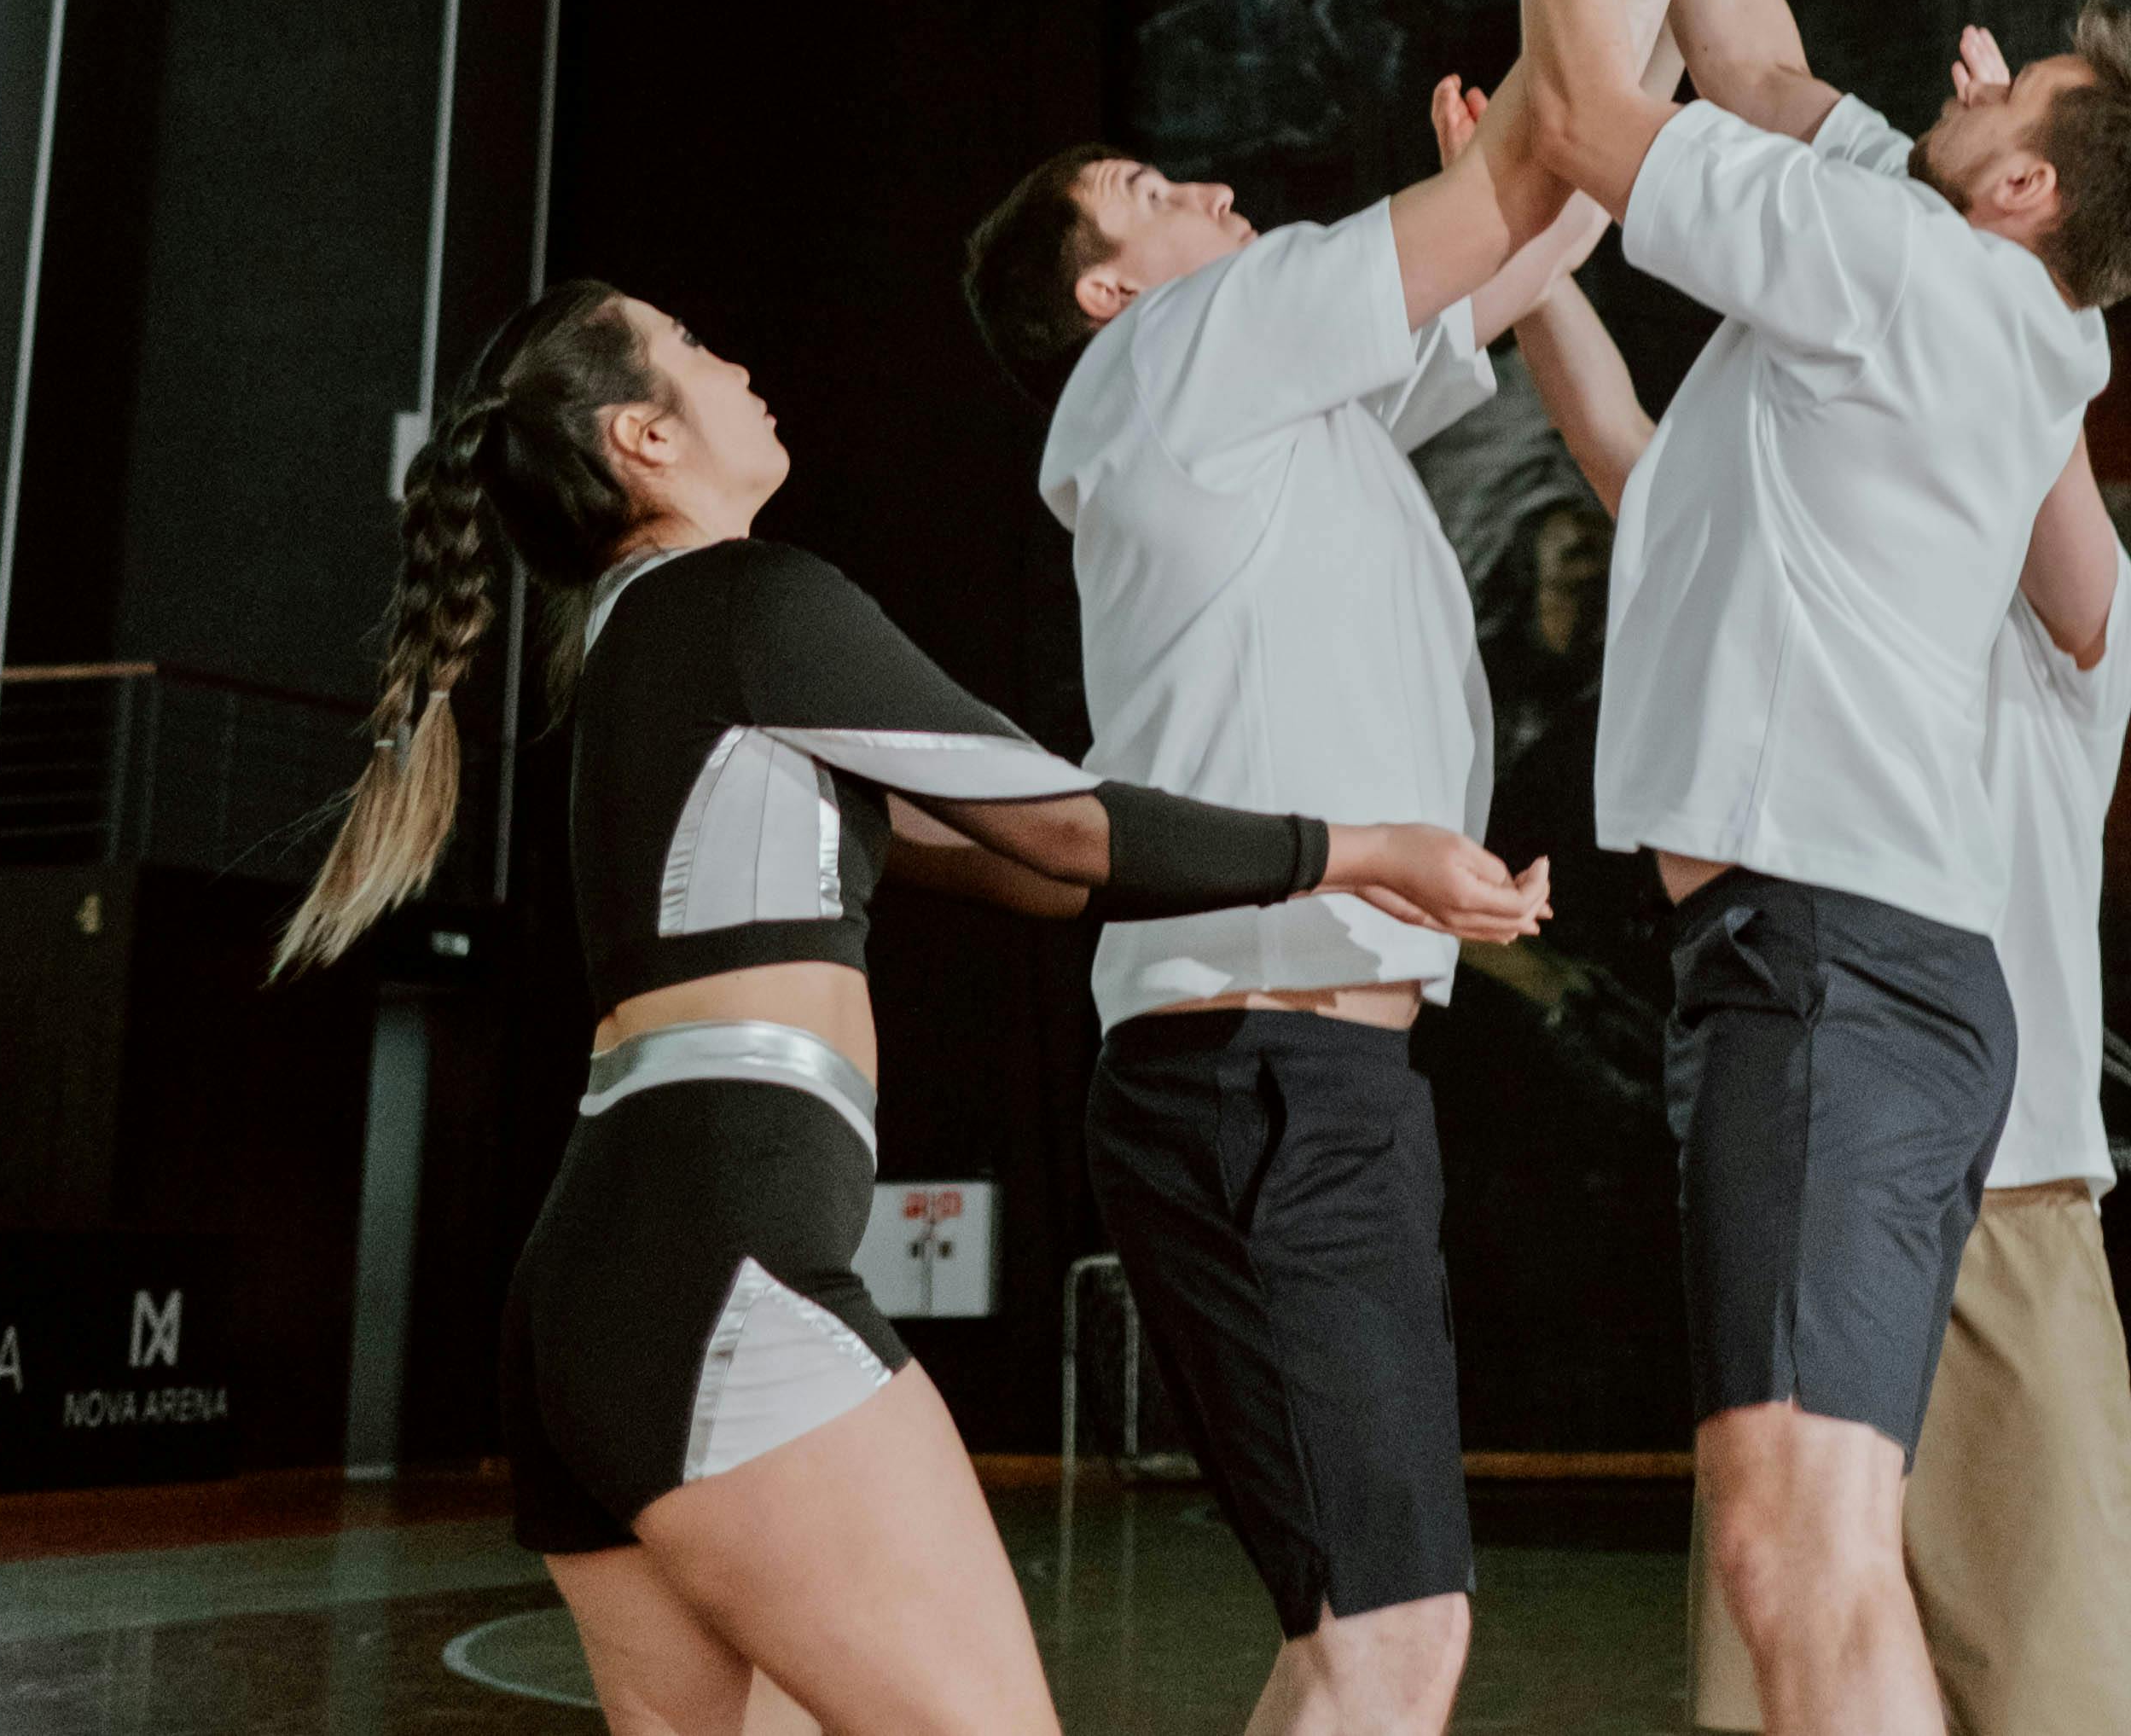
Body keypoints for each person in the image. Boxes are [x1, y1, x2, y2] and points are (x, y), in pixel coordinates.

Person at [275, 280, 1544, 1736]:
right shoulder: (752, 599)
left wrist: (1183, 777)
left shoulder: (650, 645)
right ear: (643, 435)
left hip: (591, 1292)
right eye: (698, 346)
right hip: (721, 1269)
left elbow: (1034, 863)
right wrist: (1368, 848)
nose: (739, 358)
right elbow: (1066, 829)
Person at [1425, 0, 2131, 1736]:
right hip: (1850, 962)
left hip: (1836, 956)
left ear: (2030, 190)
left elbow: (1602, 118)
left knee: (1799, 1561)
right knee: (1808, 1562)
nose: (1961, 69)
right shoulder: (1968, 286)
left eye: (2007, 85)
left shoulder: (1915, 273)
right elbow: (1759, 64)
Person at [957, 102, 1606, 1736]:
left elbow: (1557, 212)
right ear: (1111, 291)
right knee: (1391, 1636)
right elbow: (1527, 165)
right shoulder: (1185, 346)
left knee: (1357, 1635)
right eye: (1149, 190)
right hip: (1261, 1072)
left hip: (1309, 1077)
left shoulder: (1271, 398)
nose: (1214, 185)